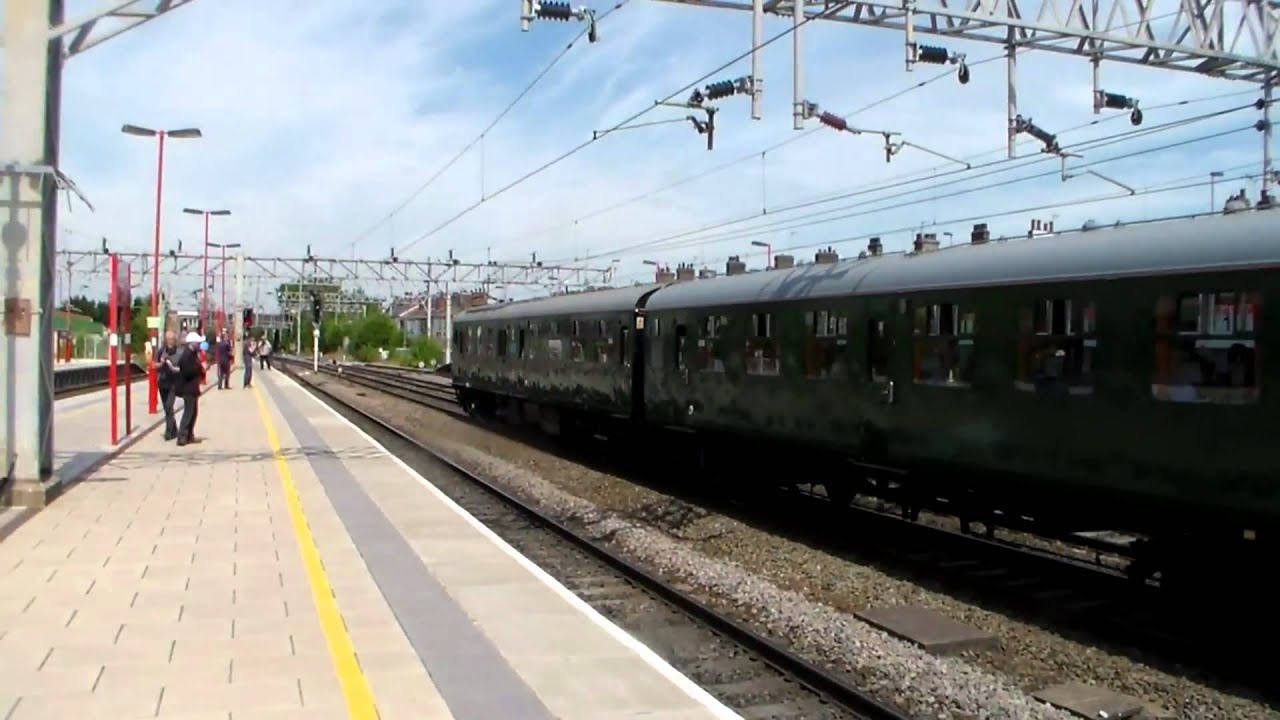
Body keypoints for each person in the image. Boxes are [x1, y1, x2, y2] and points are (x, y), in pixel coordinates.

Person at [176, 332, 205, 446]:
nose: (199, 345)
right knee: (188, 413)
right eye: (198, 343)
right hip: (188, 388)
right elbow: (187, 371)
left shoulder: (192, 354)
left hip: (192, 388)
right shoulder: (187, 355)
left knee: (193, 412)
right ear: (192, 343)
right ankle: (182, 436)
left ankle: (189, 435)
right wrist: (199, 369)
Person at [153, 330, 181, 441]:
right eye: (168, 339)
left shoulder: (179, 352)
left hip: (174, 383)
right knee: (166, 408)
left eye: (172, 339)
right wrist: (161, 363)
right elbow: (155, 365)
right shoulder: (161, 351)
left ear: (175, 340)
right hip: (162, 382)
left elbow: (181, 367)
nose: (170, 341)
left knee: (169, 406)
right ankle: (174, 429)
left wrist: (173, 367)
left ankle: (169, 432)